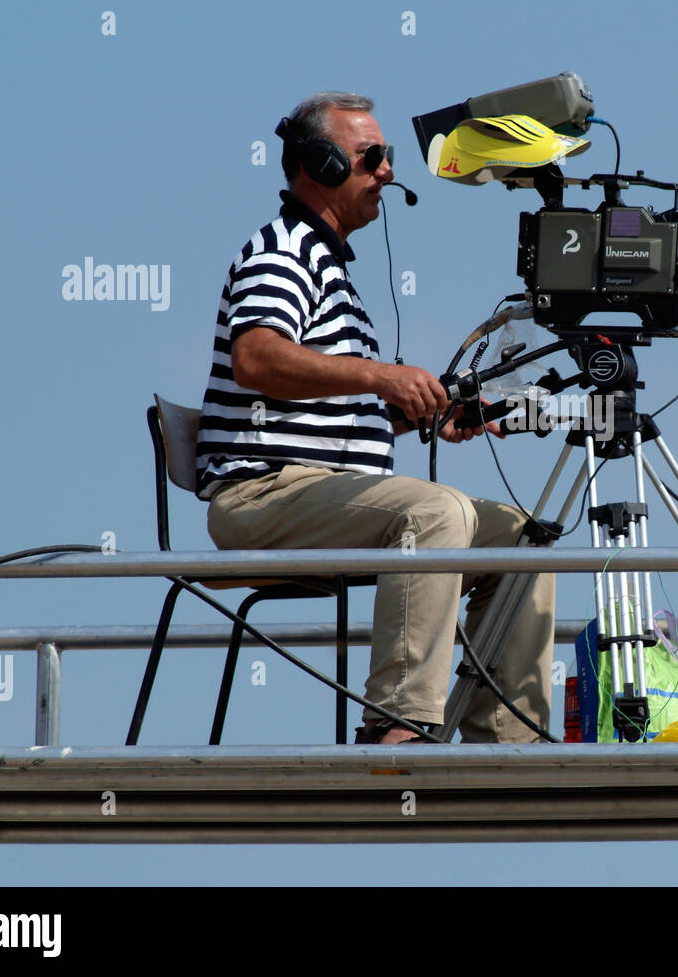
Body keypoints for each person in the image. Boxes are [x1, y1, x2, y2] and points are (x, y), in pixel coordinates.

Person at [195, 91, 555, 744]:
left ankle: (506, 737)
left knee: (522, 536)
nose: (389, 170)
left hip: (317, 494)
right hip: (262, 496)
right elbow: (256, 357)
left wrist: (416, 414)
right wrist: (379, 375)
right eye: (372, 157)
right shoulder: (283, 252)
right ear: (321, 165)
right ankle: (398, 723)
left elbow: (321, 404)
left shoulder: (330, 270)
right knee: (436, 513)